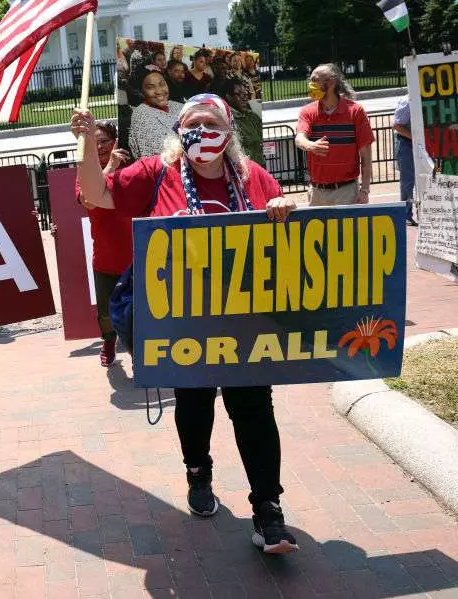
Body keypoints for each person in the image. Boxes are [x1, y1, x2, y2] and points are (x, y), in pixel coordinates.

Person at [72, 94, 300, 554]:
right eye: (192, 123)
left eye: (211, 122)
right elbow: (96, 195)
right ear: (179, 131)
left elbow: (281, 221)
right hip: (182, 323)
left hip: (244, 322)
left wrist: (280, 206)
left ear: (230, 131)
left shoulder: (251, 177)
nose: (202, 131)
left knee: (254, 410)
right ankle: (198, 473)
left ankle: (268, 511)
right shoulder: (157, 173)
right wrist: (83, 142)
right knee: (195, 405)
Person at [77, 121, 133, 367]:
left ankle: (137, 352)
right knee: (106, 312)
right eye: (94, 142)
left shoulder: (133, 167)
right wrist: (110, 166)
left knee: (139, 310)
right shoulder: (85, 172)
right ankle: (109, 341)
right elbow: (89, 200)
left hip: (136, 253)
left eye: (104, 141)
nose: (99, 146)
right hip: (106, 254)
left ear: (116, 141)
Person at [295, 63, 373, 206]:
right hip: (317, 192)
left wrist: (365, 190)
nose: (310, 84)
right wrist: (311, 146)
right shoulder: (307, 111)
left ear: (331, 82)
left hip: (346, 192)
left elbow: (366, 156)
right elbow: (300, 138)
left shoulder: (355, 111)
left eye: (314, 80)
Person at [129, 70, 183, 159]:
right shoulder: (141, 115)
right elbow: (157, 154)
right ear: (141, 92)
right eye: (151, 87)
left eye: (162, 84)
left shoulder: (177, 106)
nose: (158, 91)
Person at [222, 77, 266, 167]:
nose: (244, 98)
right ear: (229, 97)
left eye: (245, 94)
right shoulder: (227, 120)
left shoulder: (252, 115)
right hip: (245, 168)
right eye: (239, 94)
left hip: (260, 165)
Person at [393, 97, 417, 225]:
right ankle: (406, 215)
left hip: (424, 143)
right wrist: (417, 139)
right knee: (408, 182)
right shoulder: (408, 101)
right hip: (406, 144)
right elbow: (397, 125)